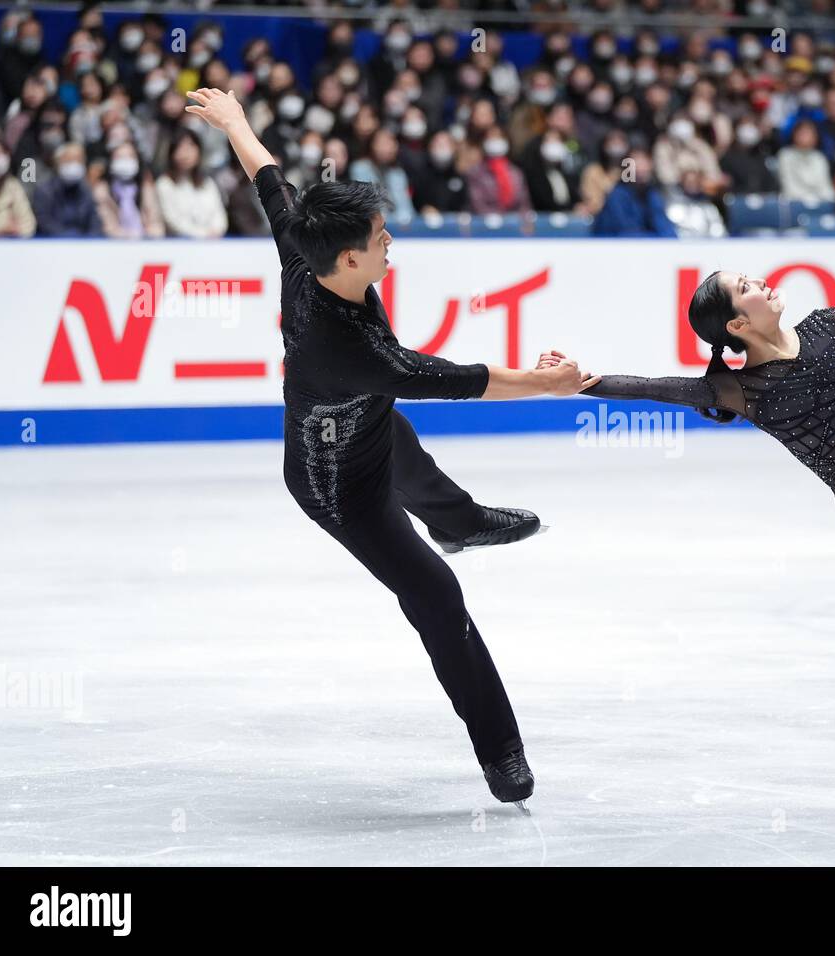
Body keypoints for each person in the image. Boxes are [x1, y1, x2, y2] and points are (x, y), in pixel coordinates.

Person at [559, 138, 835, 811]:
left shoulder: (824, 325)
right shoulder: (744, 391)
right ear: (739, 323)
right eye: (748, 288)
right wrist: (586, 383)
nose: (763, 283)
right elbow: (658, 387)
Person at [183, 86, 600, 808]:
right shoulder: (352, 352)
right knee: (437, 593)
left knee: (405, 449)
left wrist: (237, 122)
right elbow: (469, 381)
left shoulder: (303, 252)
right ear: (348, 258)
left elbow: (269, 182)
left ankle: (458, 521)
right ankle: (500, 749)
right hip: (335, 486)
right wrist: (548, 382)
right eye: (380, 239)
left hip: (365, 424)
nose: (390, 244)